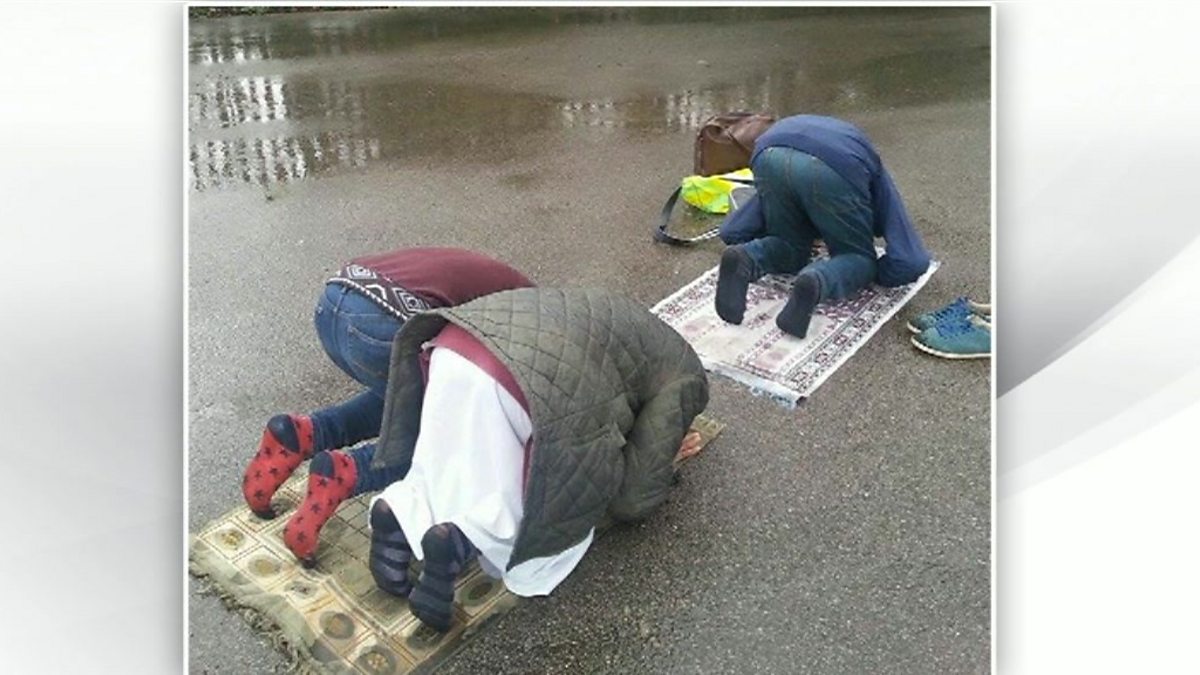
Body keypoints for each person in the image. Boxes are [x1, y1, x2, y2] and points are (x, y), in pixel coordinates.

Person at [364, 287, 709, 632]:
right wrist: (664, 463)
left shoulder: (624, 317)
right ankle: (462, 539)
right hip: (524, 378)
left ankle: (400, 512)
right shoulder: (688, 378)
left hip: (455, 344)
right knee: (545, 496)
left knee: (447, 460)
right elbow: (633, 498)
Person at [241, 247, 535, 564]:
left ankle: (302, 434)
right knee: (439, 442)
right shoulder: (531, 319)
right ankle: (347, 472)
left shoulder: (509, 284)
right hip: (382, 325)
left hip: (335, 300)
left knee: (401, 399)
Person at [715, 114, 932, 338]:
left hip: (768, 152)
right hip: (835, 164)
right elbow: (911, 261)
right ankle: (817, 280)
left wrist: (747, 242)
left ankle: (746, 258)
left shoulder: (851, 153)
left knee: (788, 245)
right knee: (857, 256)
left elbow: (734, 230)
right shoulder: (874, 175)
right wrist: (875, 272)